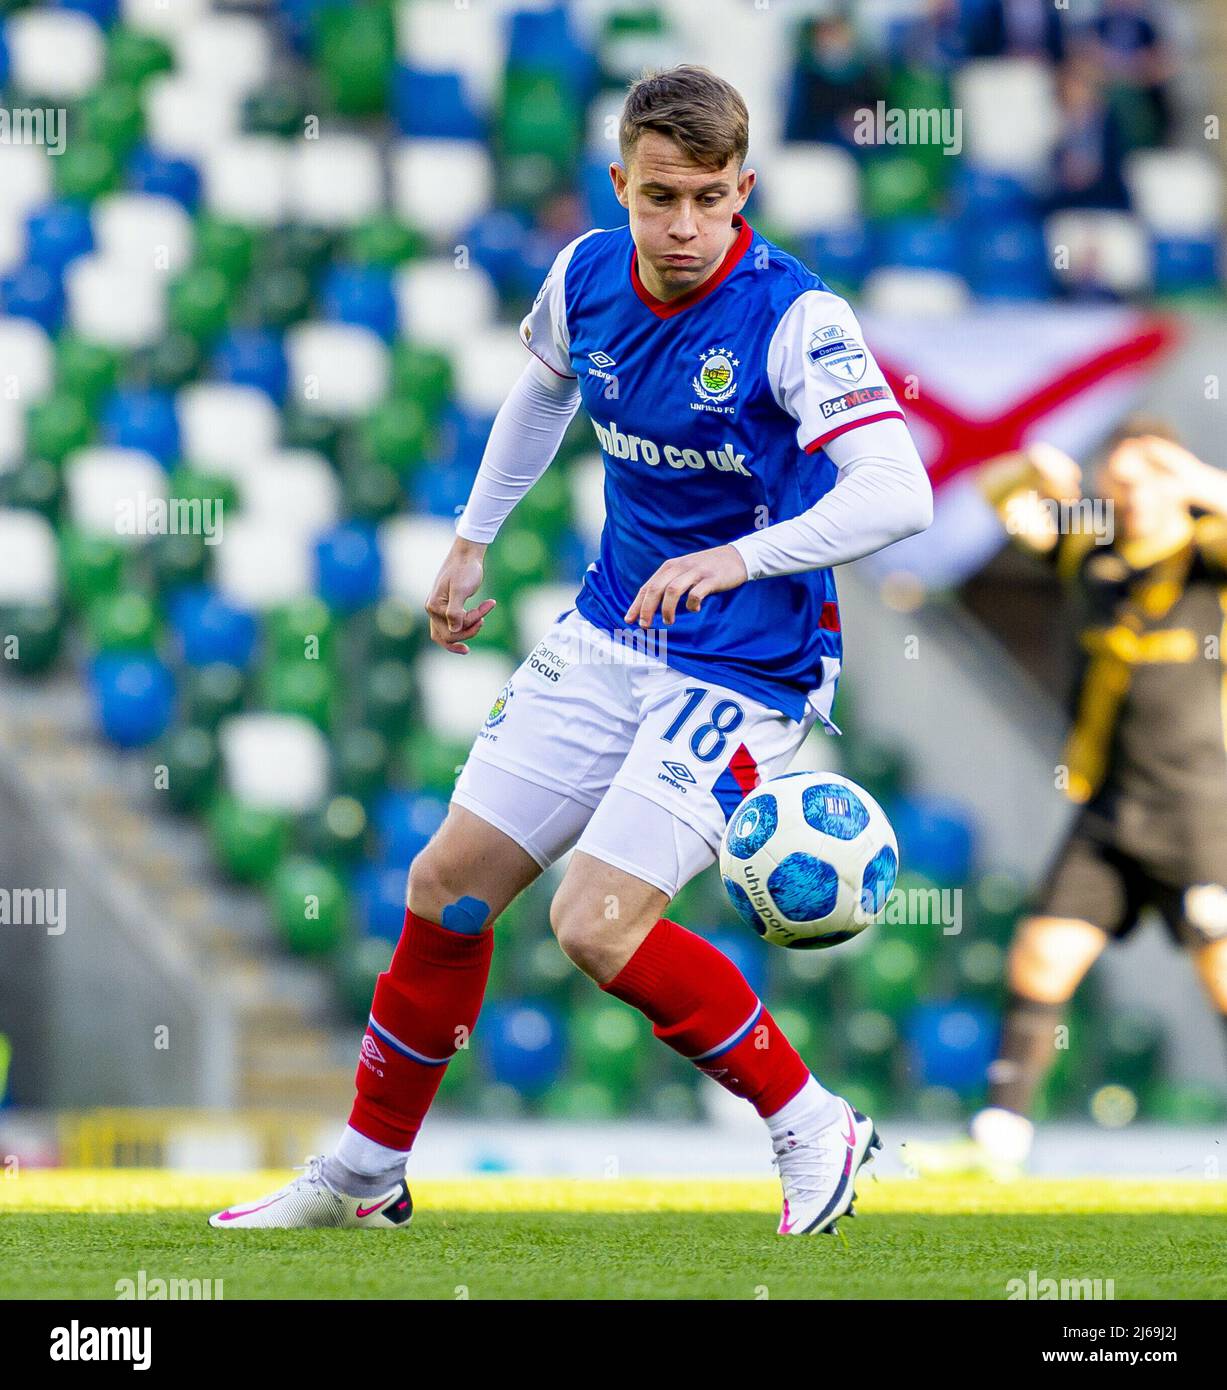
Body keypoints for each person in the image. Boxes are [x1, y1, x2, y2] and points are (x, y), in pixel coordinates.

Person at [210, 66, 932, 1235]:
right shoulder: (584, 273)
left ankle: (814, 1126)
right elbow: (543, 392)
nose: (686, 226)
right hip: (608, 630)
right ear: (620, 186)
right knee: (445, 890)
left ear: (744, 187)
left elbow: (903, 495)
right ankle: (362, 1170)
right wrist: (471, 540)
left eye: (710, 198)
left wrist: (742, 558)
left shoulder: (799, 319)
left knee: (594, 925)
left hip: (745, 662)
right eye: (661, 199)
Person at [914, 424, 1227, 1178]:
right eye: (1116, 483)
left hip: (1200, 811)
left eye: (1142, 481)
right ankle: (999, 1136)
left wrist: (1189, 474)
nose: (1127, 496)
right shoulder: (1092, 554)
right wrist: (1032, 469)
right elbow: (997, 499)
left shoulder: (1205, 556)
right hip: (1109, 808)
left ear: (1174, 485)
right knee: (1040, 958)